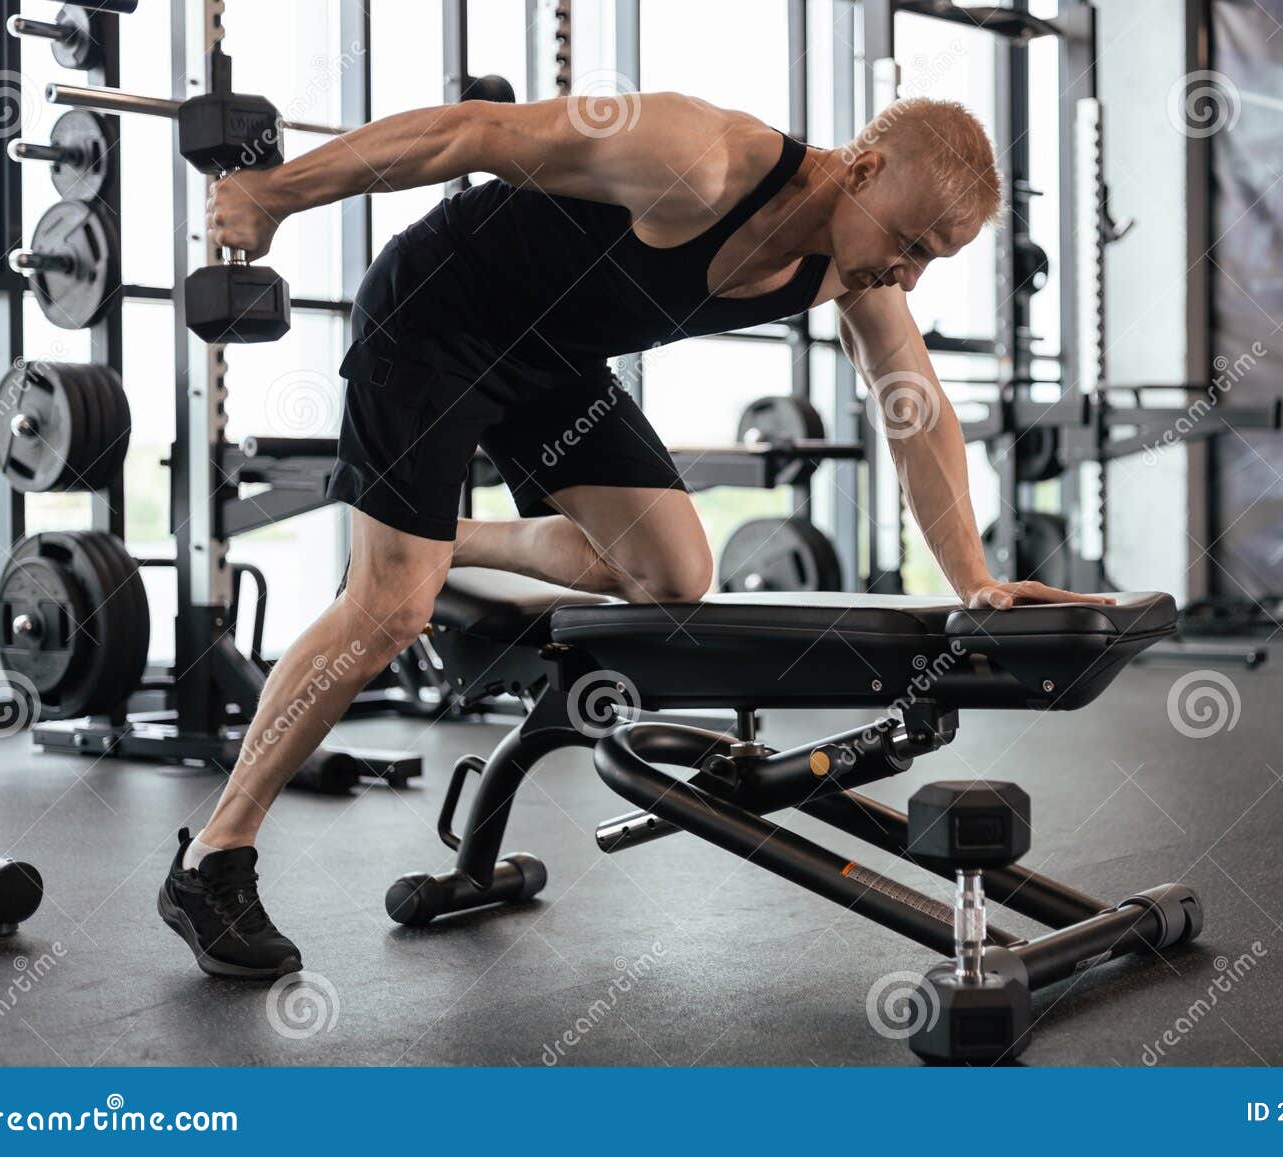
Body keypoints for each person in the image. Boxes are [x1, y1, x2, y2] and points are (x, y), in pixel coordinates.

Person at [158, 90, 1111, 978]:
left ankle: (440, 538)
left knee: (672, 571)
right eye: (909, 244)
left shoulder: (852, 269)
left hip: (555, 363)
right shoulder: (700, 160)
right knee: (390, 610)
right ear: (863, 169)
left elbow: (916, 409)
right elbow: (471, 132)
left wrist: (975, 581)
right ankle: (213, 857)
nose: (909, 273)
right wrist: (277, 193)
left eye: (932, 259)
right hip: (436, 316)